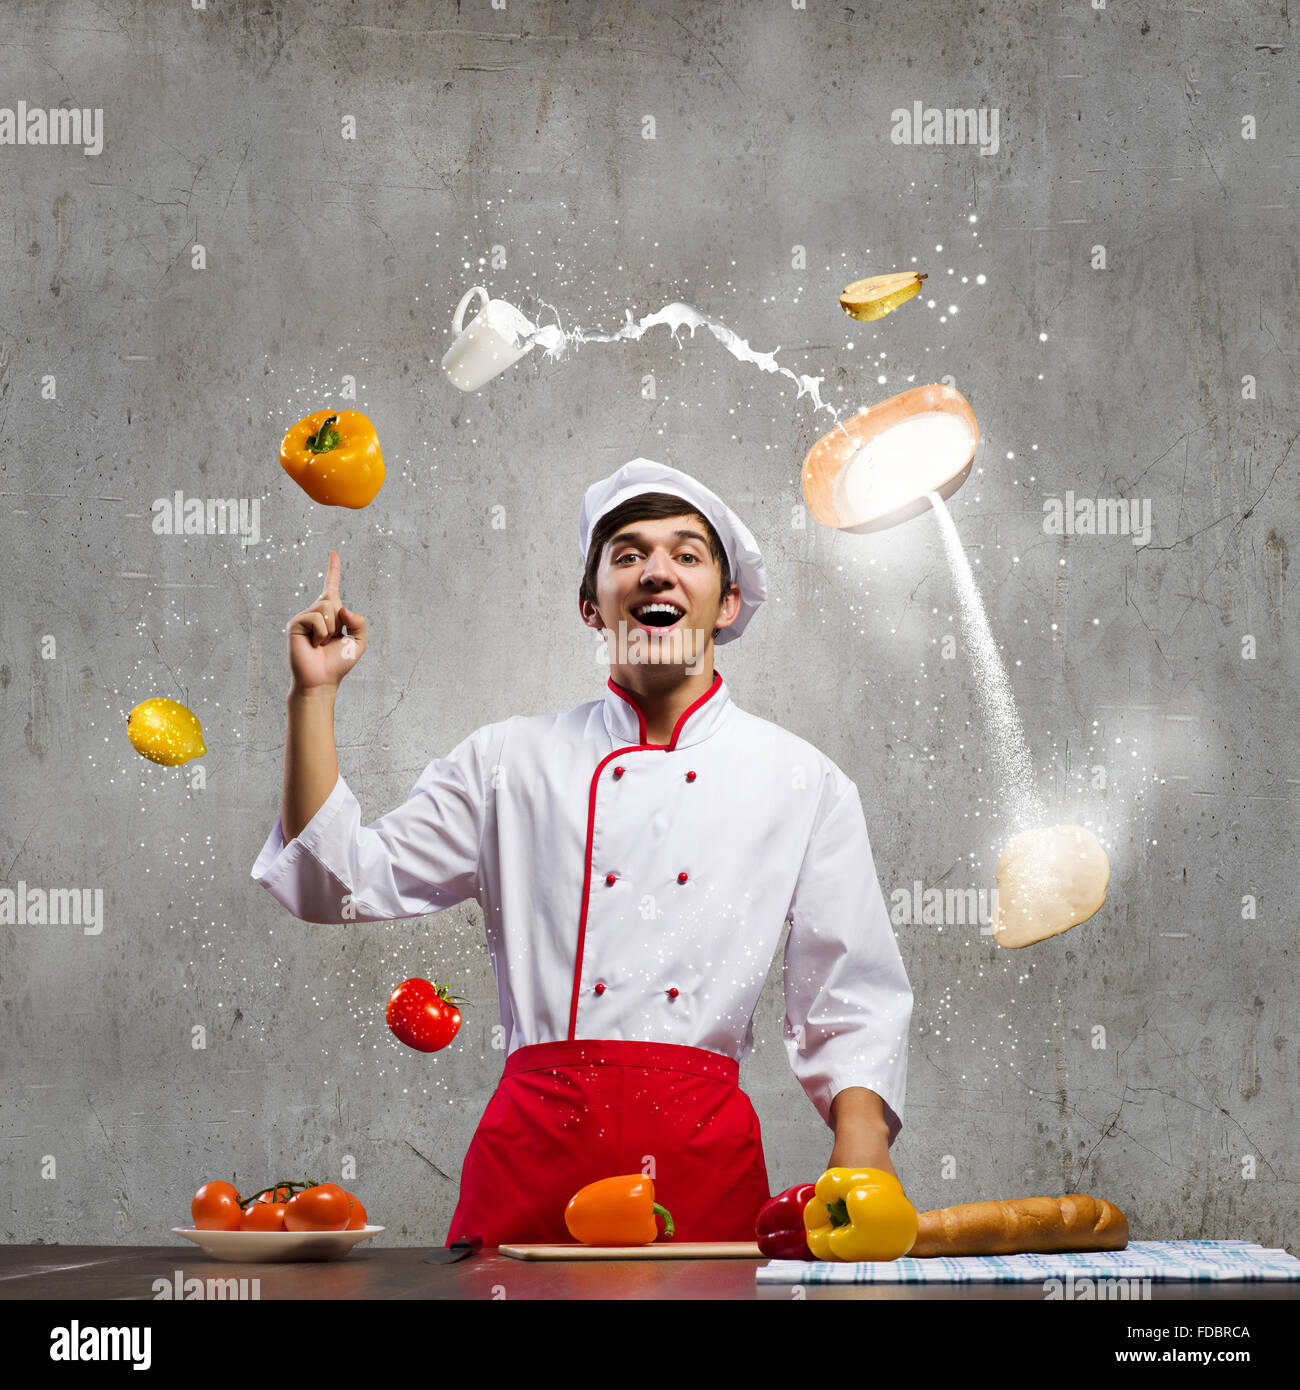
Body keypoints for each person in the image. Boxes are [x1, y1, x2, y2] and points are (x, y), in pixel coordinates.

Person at [251, 457, 913, 1246]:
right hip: (532, 1159)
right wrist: (314, 695)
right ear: (590, 605)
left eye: (687, 554)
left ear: (727, 601)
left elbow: (852, 996)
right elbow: (335, 884)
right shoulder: (507, 762)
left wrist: (863, 1166)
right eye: (628, 555)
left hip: (702, 1168)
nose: (656, 572)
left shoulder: (804, 781)